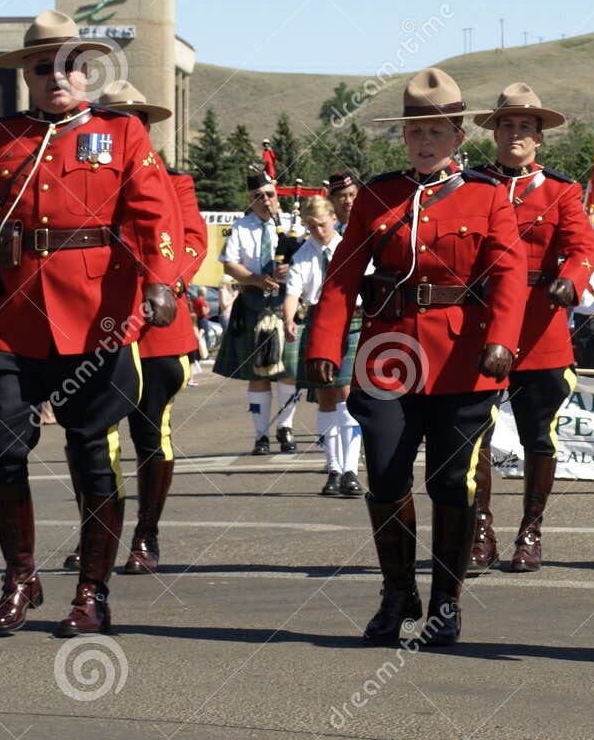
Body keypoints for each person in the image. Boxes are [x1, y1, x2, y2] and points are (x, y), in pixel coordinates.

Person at [0, 10, 181, 637]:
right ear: (28, 75)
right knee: (2, 452)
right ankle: (19, 576)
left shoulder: (122, 134)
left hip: (96, 320)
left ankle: (92, 592)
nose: (55, 75)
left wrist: (162, 282)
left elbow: (155, 215)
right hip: (16, 320)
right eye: (42, 66)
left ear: (86, 71)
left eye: (68, 64)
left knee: (91, 456)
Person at [306, 67, 525, 647]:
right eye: (414, 132)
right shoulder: (378, 195)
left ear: (457, 133)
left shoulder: (487, 196)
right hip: (388, 354)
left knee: (452, 482)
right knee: (383, 473)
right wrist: (325, 344)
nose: (424, 142)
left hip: (462, 357)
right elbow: (341, 276)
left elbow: (509, 276)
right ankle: (397, 591)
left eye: (436, 131)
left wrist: (503, 339)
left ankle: (446, 601)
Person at [468, 82, 594, 573]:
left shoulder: (560, 189)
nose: (516, 133)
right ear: (495, 131)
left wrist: (570, 281)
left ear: (539, 137)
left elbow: (585, 249)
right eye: (508, 124)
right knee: (471, 434)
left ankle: (530, 532)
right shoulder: (472, 185)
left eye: (526, 126)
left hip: (539, 325)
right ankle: (480, 530)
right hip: (478, 323)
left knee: (538, 436)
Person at [98, 81, 209, 575]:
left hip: (158, 326)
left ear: (145, 125)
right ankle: (99, 534)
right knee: (99, 435)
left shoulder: (174, 180)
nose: (126, 127)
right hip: (102, 322)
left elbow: (191, 241)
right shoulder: (88, 185)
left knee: (149, 431)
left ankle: (146, 534)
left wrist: (163, 287)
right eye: (116, 117)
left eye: (134, 119)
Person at [284, 196, 362, 497]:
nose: (317, 230)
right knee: (326, 395)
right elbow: (292, 291)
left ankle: (352, 470)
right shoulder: (303, 254)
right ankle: (333, 469)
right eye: (311, 226)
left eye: (321, 223)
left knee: (347, 394)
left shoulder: (353, 247)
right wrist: (289, 318)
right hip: (318, 322)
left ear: (333, 217)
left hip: (352, 320)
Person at [213, 173, 294, 454]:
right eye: (258, 196)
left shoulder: (292, 226)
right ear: (250, 200)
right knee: (258, 373)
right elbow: (229, 265)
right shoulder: (241, 227)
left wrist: (290, 270)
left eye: (270, 194)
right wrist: (257, 279)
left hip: (286, 305)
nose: (265, 200)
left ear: (277, 196)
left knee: (289, 373)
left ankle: (286, 428)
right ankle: (261, 435)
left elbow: (307, 258)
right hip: (254, 305)